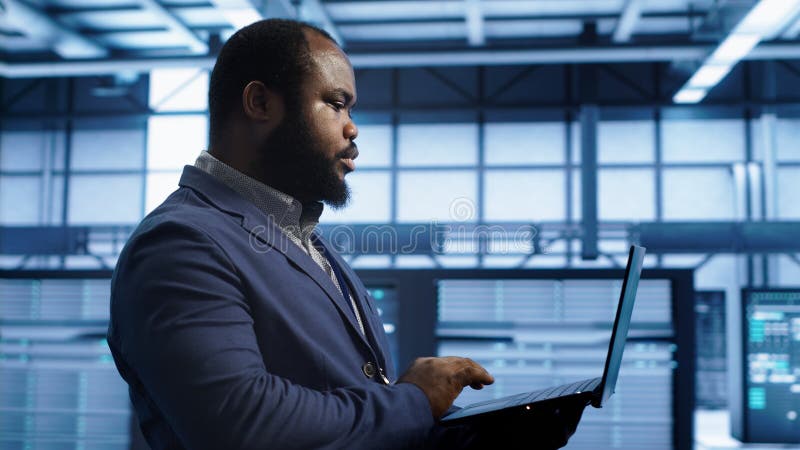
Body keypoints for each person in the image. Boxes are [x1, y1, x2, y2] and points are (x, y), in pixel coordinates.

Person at [108, 18, 586, 449]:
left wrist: (489, 433)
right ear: (260, 103)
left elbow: (364, 423)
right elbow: (240, 424)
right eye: (336, 104)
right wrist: (416, 400)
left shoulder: (310, 245)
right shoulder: (179, 243)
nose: (353, 128)